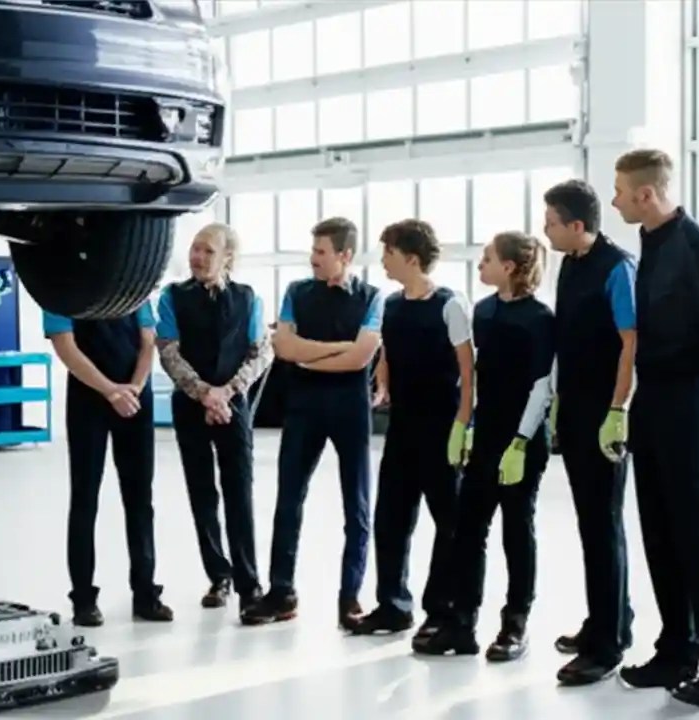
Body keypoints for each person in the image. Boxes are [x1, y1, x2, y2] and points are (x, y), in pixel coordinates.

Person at [611, 148, 699, 708]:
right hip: (655, 399)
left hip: (691, 400)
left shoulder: (697, 246)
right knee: (659, 531)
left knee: (694, 533)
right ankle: (677, 650)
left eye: (620, 190)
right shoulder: (650, 246)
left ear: (646, 194)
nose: (615, 199)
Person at [417, 231, 554, 663]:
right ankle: (462, 623)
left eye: (487, 259)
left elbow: (542, 385)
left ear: (509, 267)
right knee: (468, 529)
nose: (481, 265)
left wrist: (520, 441)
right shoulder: (484, 310)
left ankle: (515, 623)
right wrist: (468, 423)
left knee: (517, 529)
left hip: (521, 440)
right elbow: (477, 374)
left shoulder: (541, 318)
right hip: (487, 434)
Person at [241, 216, 385, 630]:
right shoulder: (296, 292)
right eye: (313, 251)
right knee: (289, 501)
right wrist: (340, 347)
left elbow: (362, 358)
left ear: (345, 255)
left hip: (350, 409)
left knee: (355, 506)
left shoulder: (373, 297)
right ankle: (281, 593)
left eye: (321, 253)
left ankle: (350, 597)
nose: (313, 259)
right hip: (303, 406)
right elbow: (283, 346)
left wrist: (313, 353)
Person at [349, 219, 473, 642]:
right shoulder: (392, 304)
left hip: (441, 426)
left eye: (388, 253)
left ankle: (442, 608)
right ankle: (392, 606)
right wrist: (382, 383)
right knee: (391, 519)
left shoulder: (450, 304)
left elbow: (467, 366)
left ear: (412, 258)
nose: (382, 260)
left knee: (449, 522)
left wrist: (464, 424)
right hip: (402, 426)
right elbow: (386, 351)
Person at [541, 179, 637, 685]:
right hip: (575, 408)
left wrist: (617, 410)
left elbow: (630, 342)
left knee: (602, 525)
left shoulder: (617, 267)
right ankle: (609, 618)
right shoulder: (571, 265)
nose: (545, 230)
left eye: (551, 222)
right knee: (590, 524)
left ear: (577, 226)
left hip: (604, 414)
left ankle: (607, 645)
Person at [155, 222, 272, 617]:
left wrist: (226, 392)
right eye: (194, 249)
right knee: (202, 493)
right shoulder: (173, 297)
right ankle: (218, 575)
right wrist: (204, 392)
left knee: (239, 493)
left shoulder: (248, 298)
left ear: (227, 258)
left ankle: (249, 584)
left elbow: (261, 353)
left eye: (207, 250)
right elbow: (169, 352)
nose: (197, 257)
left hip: (232, 404)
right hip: (190, 404)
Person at [43, 303, 174, 627]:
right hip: (89, 398)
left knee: (140, 499)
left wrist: (135, 388)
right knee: (85, 499)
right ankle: (84, 599)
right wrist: (110, 390)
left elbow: (147, 342)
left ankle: (145, 593)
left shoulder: (133, 285)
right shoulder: (62, 288)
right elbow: (66, 346)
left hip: (133, 396)